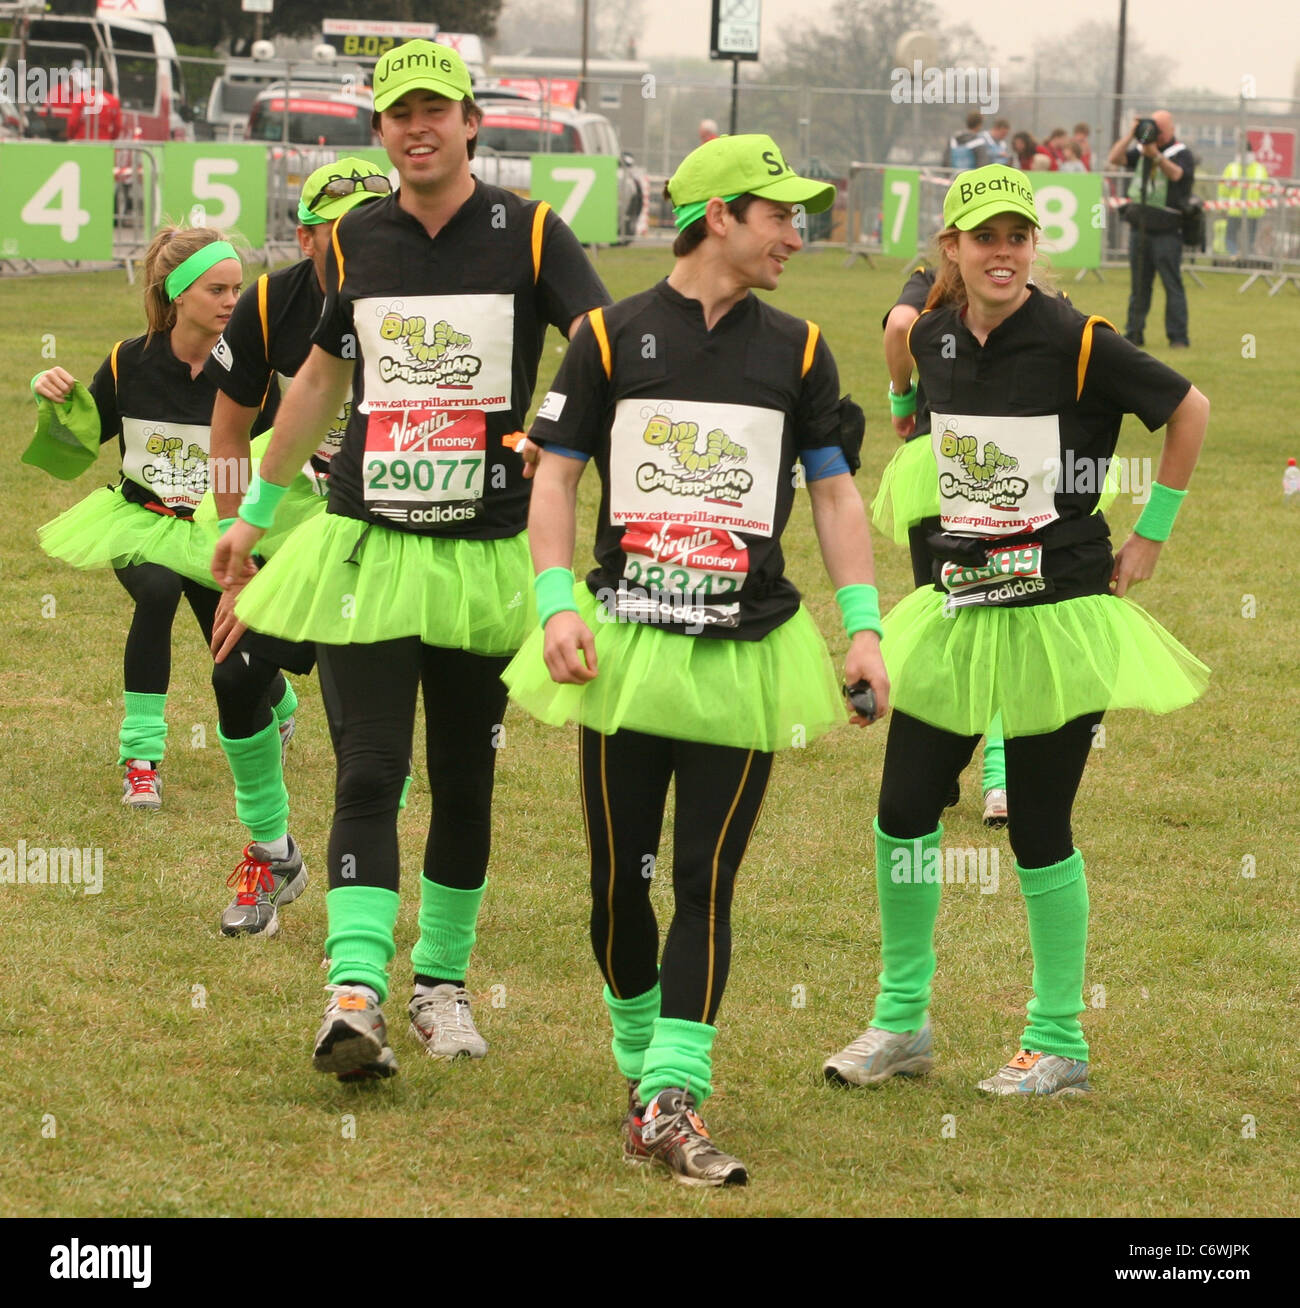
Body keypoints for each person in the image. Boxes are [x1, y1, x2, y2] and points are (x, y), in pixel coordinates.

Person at [211, 39, 611, 1079]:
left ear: (470, 120)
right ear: (379, 131)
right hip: (369, 548)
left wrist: (549, 440)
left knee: (463, 781)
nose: (417, 128)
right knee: (370, 770)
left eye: (435, 109)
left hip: (483, 560)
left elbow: (603, 345)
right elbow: (314, 383)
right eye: (398, 115)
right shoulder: (353, 242)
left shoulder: (529, 233)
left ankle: (440, 984)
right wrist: (251, 513)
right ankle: (354, 995)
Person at [501, 133, 889, 1186]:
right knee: (616, 890)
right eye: (779, 216)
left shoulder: (801, 350)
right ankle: (641, 1068)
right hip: (624, 645)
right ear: (718, 216)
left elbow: (836, 495)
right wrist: (552, 603)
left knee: (704, 878)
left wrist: (863, 626)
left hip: (744, 651)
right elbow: (555, 478)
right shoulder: (604, 335)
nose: (795, 237)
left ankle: (675, 1093)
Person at [824, 164, 1210, 1097]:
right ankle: (901, 1022)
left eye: (1018, 237)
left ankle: (1058, 1040)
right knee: (905, 809)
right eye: (984, 237)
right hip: (959, 612)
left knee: (1038, 824)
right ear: (950, 250)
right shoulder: (932, 338)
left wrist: (1150, 533)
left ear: (1034, 246)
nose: (1003, 253)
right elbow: (925, 432)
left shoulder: (1080, 340)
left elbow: (1189, 409)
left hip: (1055, 615)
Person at [201, 157, 392, 937]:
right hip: (286, 531)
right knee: (233, 669)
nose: (358, 246)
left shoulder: (414, 299)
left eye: (376, 226)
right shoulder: (272, 301)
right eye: (339, 232)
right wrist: (230, 551)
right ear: (306, 236)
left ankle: (359, 909)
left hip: (380, 541)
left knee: (366, 738)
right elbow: (227, 431)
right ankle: (270, 854)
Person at [33, 227, 285, 814]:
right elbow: (84, 435)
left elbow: (274, 451)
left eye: (237, 289)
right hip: (138, 519)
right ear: (176, 295)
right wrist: (50, 391)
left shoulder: (253, 369)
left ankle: (278, 703)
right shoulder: (129, 359)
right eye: (217, 289)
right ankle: (141, 758)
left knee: (221, 630)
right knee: (157, 590)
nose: (232, 302)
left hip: (212, 525)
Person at [876, 263, 1007, 827]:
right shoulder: (1031, 291)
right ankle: (1000, 782)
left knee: (945, 614)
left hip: (938, 464)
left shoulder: (931, 274)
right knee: (1010, 619)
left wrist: (902, 399)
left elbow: (901, 322)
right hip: (1009, 469)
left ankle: (940, 766)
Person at [1107, 111, 1195, 348]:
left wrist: (1155, 154)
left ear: (1168, 130)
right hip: (1141, 229)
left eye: (1157, 127)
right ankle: (1134, 334)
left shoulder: (1181, 153)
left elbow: (1177, 174)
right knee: (1139, 285)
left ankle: (1178, 337)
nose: (1153, 131)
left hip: (1167, 231)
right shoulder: (1142, 151)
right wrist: (1131, 134)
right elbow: (1114, 158)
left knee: (1171, 284)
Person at [1218, 141, 1267, 256]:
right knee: (1249, 237)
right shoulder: (1260, 169)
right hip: (1254, 211)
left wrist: (1222, 206)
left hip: (1234, 209)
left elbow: (1223, 190)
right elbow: (1265, 191)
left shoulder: (1231, 168)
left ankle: (1233, 255)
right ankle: (1246, 257)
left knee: (1231, 236)